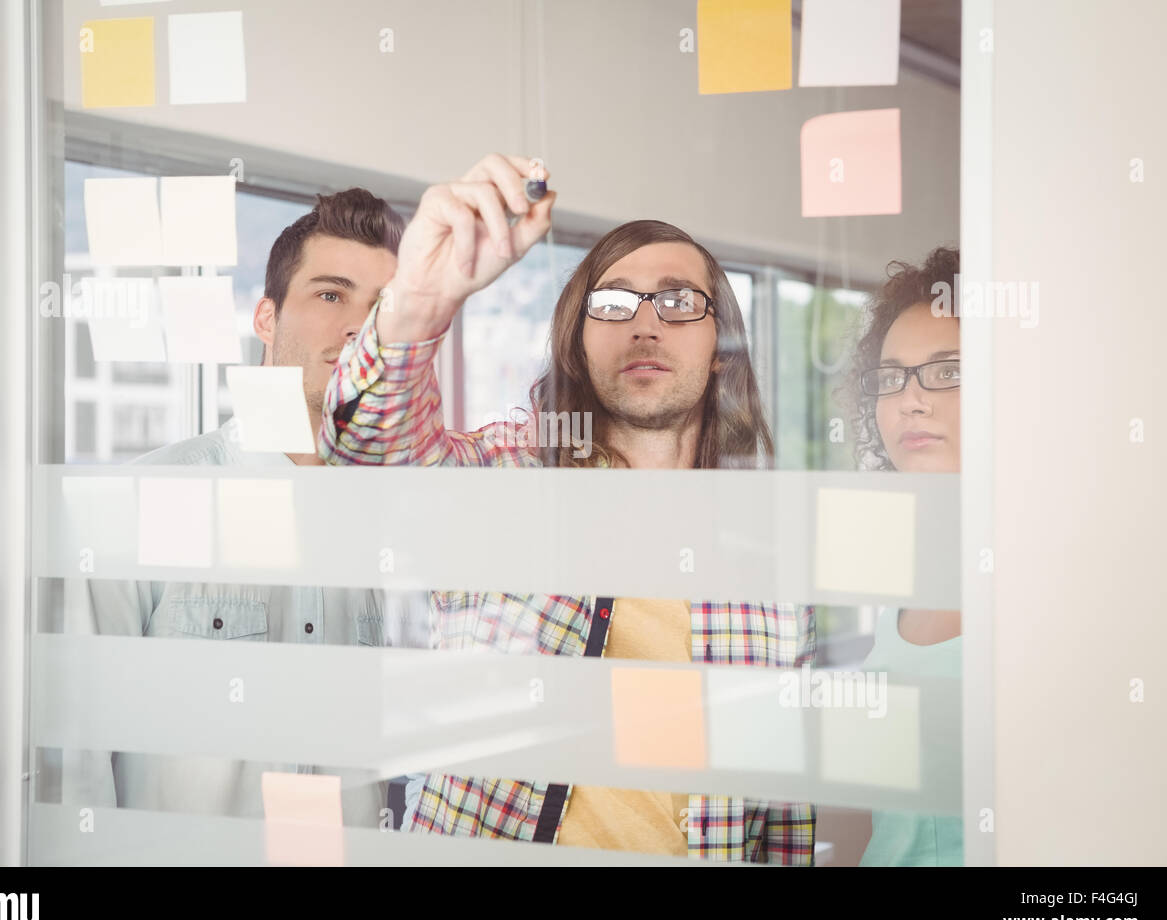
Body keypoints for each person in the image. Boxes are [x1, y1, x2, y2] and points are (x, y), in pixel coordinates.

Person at [320, 154, 818, 863]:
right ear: (578, 346)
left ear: (720, 353)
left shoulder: (766, 559)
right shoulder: (505, 482)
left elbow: (780, 817)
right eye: (612, 303)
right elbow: (364, 456)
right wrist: (420, 301)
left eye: (679, 302)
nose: (646, 325)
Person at [61, 188, 429, 825]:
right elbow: (73, 760)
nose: (357, 326)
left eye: (381, 307)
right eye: (330, 294)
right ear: (266, 318)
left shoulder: (387, 521)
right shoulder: (151, 500)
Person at [845, 245, 963, 866]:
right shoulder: (907, 579)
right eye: (891, 378)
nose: (911, 400)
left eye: (948, 371)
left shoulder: (1063, 580)